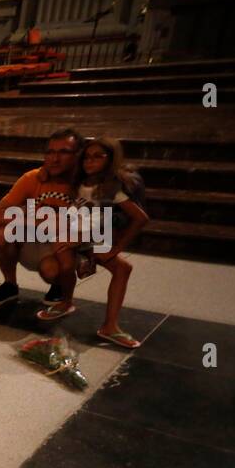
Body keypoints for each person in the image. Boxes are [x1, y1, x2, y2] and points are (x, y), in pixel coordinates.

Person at [0, 128, 83, 320]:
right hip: (31, 238)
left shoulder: (84, 185)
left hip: (61, 246)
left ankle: (59, 286)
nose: (55, 159)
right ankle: (10, 285)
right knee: (2, 235)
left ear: (78, 156)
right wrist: (32, 219)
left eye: (63, 152)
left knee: (52, 272)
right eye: (50, 152)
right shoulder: (32, 178)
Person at [75, 136, 147, 348]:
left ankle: (110, 326)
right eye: (87, 157)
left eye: (98, 157)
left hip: (89, 238)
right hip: (67, 234)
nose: (90, 161)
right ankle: (63, 302)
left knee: (123, 268)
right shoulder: (75, 182)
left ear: (111, 160)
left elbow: (141, 218)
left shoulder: (110, 189)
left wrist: (116, 249)